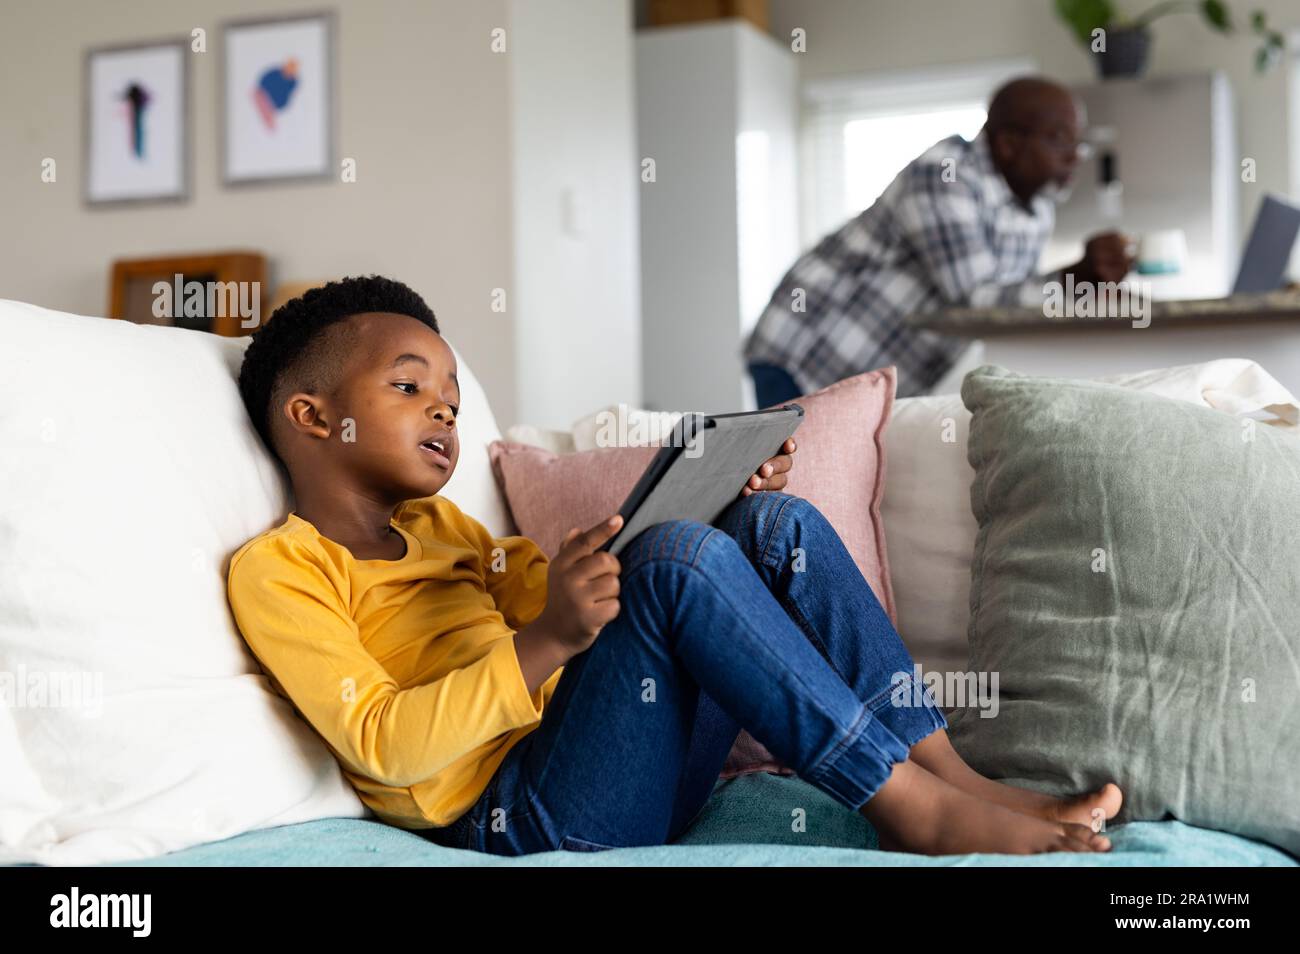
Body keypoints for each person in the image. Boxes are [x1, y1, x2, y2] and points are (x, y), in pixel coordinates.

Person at [228, 275, 1122, 856]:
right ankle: (909, 809)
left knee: (770, 522)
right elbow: (385, 744)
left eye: (454, 400)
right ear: (312, 417)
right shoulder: (282, 569)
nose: (446, 413)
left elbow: (599, 609)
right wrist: (545, 639)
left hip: (614, 757)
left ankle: (951, 774)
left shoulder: (446, 529)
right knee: (679, 561)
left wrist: (713, 507)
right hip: (517, 818)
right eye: (410, 386)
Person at [744, 75, 1135, 407]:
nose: (1074, 157)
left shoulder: (1038, 207)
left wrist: (1085, 283)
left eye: (1078, 144)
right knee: (801, 486)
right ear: (1008, 144)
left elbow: (1014, 307)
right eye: (1059, 140)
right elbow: (976, 303)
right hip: (806, 357)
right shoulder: (944, 175)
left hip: (866, 380)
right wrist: (1078, 278)